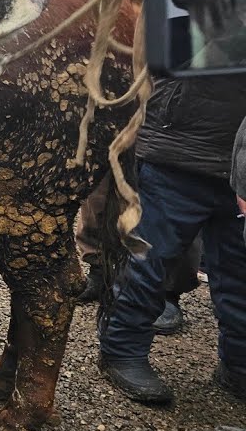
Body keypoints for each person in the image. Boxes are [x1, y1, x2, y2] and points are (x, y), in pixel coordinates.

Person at [97, 76, 246, 405]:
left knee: (240, 274)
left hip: (238, 167)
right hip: (179, 152)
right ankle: (122, 350)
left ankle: (238, 364)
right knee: (148, 260)